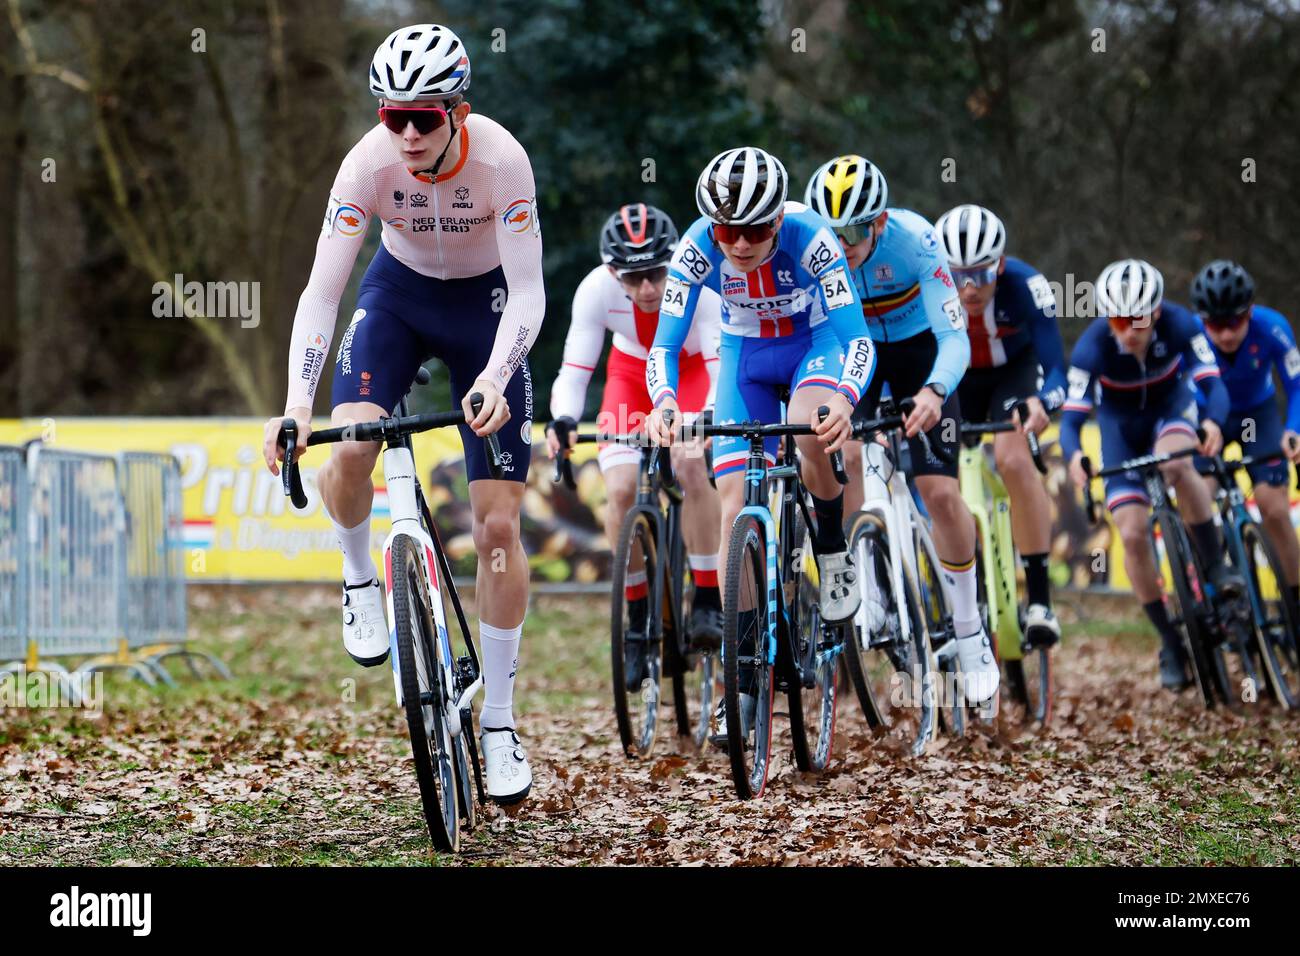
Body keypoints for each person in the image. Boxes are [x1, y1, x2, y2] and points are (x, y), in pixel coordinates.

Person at [260, 24, 542, 804]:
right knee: (348, 446)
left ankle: (499, 723)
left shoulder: (501, 160)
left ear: (460, 110)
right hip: (399, 298)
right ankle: (359, 575)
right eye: (395, 117)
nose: (410, 133)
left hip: (489, 310)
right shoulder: (366, 166)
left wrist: (494, 374)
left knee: (496, 530)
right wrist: (293, 404)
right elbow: (322, 295)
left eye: (426, 116)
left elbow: (528, 294)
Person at [645, 146, 876, 740]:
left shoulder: (814, 239)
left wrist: (845, 401)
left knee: (809, 427)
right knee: (731, 505)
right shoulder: (696, 248)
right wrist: (665, 404)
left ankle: (828, 545)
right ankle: (738, 685)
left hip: (814, 346)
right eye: (727, 231)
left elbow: (857, 338)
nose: (739, 245)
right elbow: (664, 348)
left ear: (777, 221)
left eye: (752, 231)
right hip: (745, 358)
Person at [804, 155, 1000, 703]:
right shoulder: (815, 250)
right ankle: (872, 587)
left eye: (854, 231)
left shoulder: (917, 242)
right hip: (858, 357)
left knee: (938, 491)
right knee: (847, 467)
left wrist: (936, 391)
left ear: (880, 223)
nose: (841, 244)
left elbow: (954, 335)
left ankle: (968, 630)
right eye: (832, 231)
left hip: (921, 354)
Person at [546, 204, 724, 688]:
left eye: (657, 273)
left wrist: (704, 419)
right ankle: (637, 613)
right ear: (612, 272)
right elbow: (575, 371)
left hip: (690, 371)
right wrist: (563, 419)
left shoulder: (700, 281)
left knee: (689, 464)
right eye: (634, 276)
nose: (647, 288)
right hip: (630, 376)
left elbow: (716, 359)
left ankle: (708, 599)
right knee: (621, 489)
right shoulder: (595, 291)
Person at [1062, 259, 1244, 691]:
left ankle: (1216, 567)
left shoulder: (1182, 324)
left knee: (1177, 463)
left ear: (1156, 311)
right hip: (1120, 428)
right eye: (1119, 319)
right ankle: (1170, 641)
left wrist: (1214, 422)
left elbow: (1214, 385)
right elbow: (1071, 421)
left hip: (1171, 410)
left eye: (1138, 318)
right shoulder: (1092, 348)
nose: (1129, 329)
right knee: (1130, 534)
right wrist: (1073, 457)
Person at [934, 203, 1068, 647]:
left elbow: (1058, 369)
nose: (970, 289)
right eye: (958, 276)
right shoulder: (928, 288)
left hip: (1013, 375)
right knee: (937, 479)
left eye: (982, 275)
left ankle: (1041, 599)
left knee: (1013, 458)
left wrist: (1043, 401)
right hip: (958, 379)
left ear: (1001, 265)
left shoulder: (1029, 286)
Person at [1190, 259, 1300, 610]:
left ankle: (1296, 602)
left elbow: (1296, 385)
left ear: (1250, 311)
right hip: (1210, 419)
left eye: (1234, 322)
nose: (1225, 335)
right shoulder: (1189, 335)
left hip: (1257, 416)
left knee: (1275, 510)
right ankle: (1211, 589)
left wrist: (1293, 429)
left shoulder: (1272, 327)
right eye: (1215, 325)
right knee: (1198, 500)